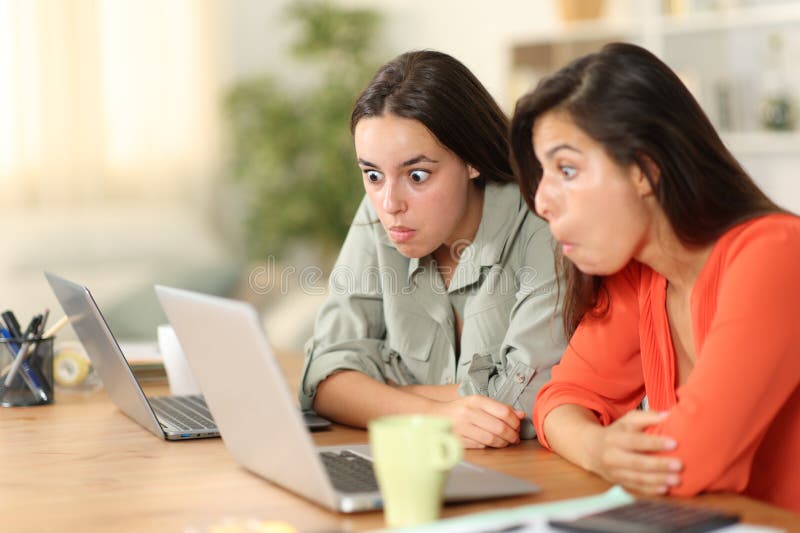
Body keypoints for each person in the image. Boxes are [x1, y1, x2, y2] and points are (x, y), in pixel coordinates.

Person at [510, 42, 800, 511]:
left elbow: (683, 463)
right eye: (544, 173)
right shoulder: (642, 275)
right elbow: (560, 398)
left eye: (567, 169)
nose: (541, 201)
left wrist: (601, 445)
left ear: (644, 169)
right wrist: (599, 449)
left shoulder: (778, 254)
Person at [299, 50, 565, 448]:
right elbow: (322, 377)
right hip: (419, 460)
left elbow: (519, 405)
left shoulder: (544, 221)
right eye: (372, 174)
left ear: (472, 159)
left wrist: (376, 394)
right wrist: (437, 415)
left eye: (417, 175)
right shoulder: (383, 213)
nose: (390, 203)